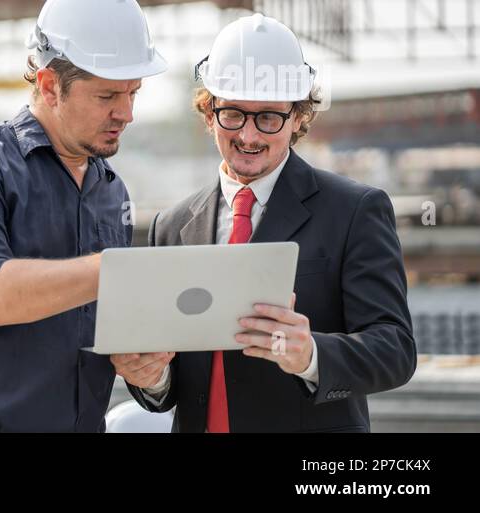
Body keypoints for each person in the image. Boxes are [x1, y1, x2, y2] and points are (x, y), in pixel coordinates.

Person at [115, 13, 416, 433]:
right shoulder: (173, 225)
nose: (250, 136)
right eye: (233, 114)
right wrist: (152, 377)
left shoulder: (354, 210)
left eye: (269, 118)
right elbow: (174, 379)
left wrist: (310, 354)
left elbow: (395, 350)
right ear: (209, 111)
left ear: (297, 118)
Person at [0, 0, 166, 432]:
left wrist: (139, 362)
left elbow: (96, 319)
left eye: (133, 92)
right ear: (49, 86)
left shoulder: (110, 190)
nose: (126, 113)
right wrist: (118, 271)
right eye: (107, 95)